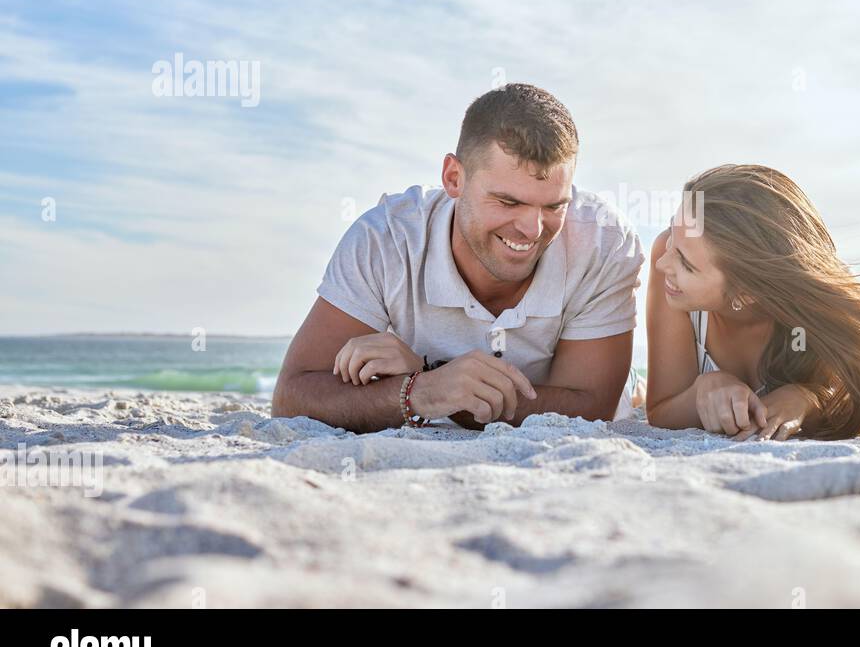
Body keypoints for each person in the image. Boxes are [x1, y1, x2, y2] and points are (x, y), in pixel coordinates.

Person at [272, 84, 644, 433]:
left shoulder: (604, 242)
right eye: (508, 202)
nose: (532, 229)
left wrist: (431, 378)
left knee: (641, 395)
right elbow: (292, 397)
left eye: (553, 206)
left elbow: (591, 407)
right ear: (454, 178)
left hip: (603, 400)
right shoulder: (386, 238)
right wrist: (420, 391)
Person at [645, 164, 860, 442]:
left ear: (746, 292)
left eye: (687, 264)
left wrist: (809, 398)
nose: (662, 263)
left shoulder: (817, 309)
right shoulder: (667, 255)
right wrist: (705, 389)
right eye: (673, 233)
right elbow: (660, 410)